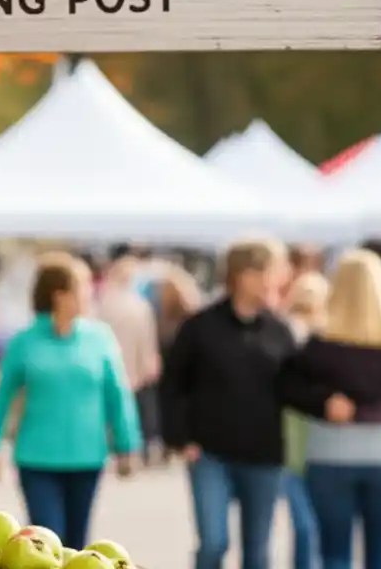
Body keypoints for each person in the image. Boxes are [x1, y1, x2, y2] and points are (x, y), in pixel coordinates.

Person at [280, 250, 381, 569]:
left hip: (331, 453)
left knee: (334, 553)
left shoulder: (320, 343)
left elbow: (286, 387)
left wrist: (322, 401)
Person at [0, 252, 140, 550]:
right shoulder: (24, 342)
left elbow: (117, 396)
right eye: (82, 285)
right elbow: (2, 397)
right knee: (45, 543)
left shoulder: (100, 339)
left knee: (77, 547)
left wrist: (127, 445)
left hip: (88, 458)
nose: (90, 292)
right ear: (60, 295)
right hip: (37, 460)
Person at [161, 238, 295, 569]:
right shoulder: (200, 327)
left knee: (258, 552)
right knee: (213, 543)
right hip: (210, 453)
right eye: (264, 272)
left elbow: (298, 387)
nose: (270, 281)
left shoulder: (279, 331)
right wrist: (180, 437)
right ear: (240, 275)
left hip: (264, 456)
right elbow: (173, 384)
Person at [278, 271, 329, 569]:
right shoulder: (323, 335)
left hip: (292, 438)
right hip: (315, 438)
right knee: (314, 523)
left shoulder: (285, 330)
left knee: (305, 523)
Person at [95, 256, 163, 465]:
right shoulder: (140, 305)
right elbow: (147, 339)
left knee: (111, 409)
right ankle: (134, 447)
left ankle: (117, 447)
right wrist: (150, 361)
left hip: (109, 365)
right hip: (133, 365)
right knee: (132, 409)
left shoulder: (103, 303)